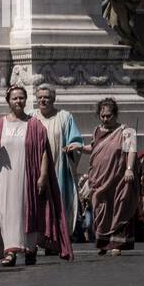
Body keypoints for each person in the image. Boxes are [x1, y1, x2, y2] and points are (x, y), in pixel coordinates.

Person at [0, 85, 72, 266]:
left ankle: (29, 248)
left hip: (27, 175)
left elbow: (44, 152)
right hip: (4, 177)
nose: (18, 101)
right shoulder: (0, 124)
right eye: (14, 98)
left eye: (21, 98)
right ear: (8, 101)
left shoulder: (35, 125)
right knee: (4, 211)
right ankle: (9, 251)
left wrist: (43, 175)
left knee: (26, 211)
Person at [32, 83, 84, 247]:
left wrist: (72, 148)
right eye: (40, 97)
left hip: (59, 169)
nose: (43, 100)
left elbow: (75, 140)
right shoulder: (31, 117)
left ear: (53, 99)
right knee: (38, 204)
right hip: (36, 169)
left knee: (57, 204)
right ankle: (40, 239)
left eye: (46, 97)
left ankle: (56, 241)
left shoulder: (65, 117)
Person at [85, 97, 137, 256]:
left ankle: (117, 244)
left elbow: (131, 150)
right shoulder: (97, 131)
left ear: (115, 114)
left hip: (118, 179)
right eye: (103, 116)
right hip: (100, 179)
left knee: (118, 210)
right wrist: (79, 147)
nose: (106, 119)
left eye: (109, 116)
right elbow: (94, 148)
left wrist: (129, 169)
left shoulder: (126, 131)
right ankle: (103, 242)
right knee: (100, 209)